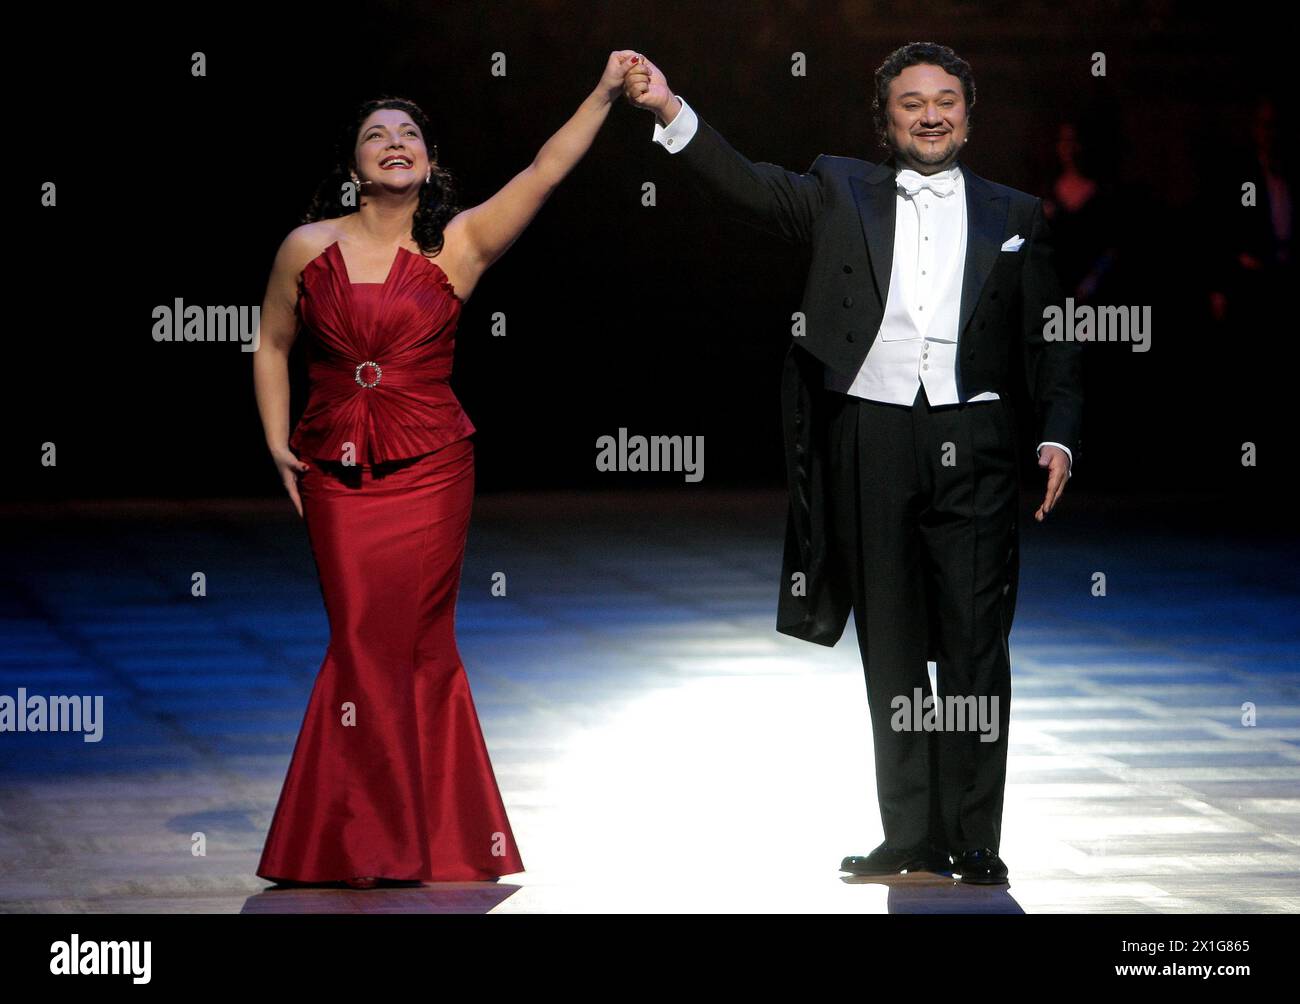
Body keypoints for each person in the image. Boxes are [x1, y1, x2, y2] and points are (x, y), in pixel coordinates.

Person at [623, 42, 1082, 884]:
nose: (931, 113)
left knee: (976, 646)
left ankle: (975, 836)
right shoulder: (841, 188)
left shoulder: (1016, 214)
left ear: (969, 115)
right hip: (870, 434)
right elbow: (750, 187)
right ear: (887, 118)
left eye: (947, 99)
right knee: (894, 643)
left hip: (974, 440)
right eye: (912, 102)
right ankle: (909, 835)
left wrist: (1058, 432)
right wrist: (668, 108)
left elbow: (1049, 335)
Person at [252, 52, 640, 887]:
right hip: (336, 471)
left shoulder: (458, 243)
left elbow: (545, 169)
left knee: (422, 644)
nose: (395, 142)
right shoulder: (304, 247)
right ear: (351, 162)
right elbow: (271, 344)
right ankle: (373, 836)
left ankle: (407, 841)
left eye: (410, 134)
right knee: (362, 640)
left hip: (431, 470)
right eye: (375, 134)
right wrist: (278, 441)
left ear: (428, 161)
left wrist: (605, 92)